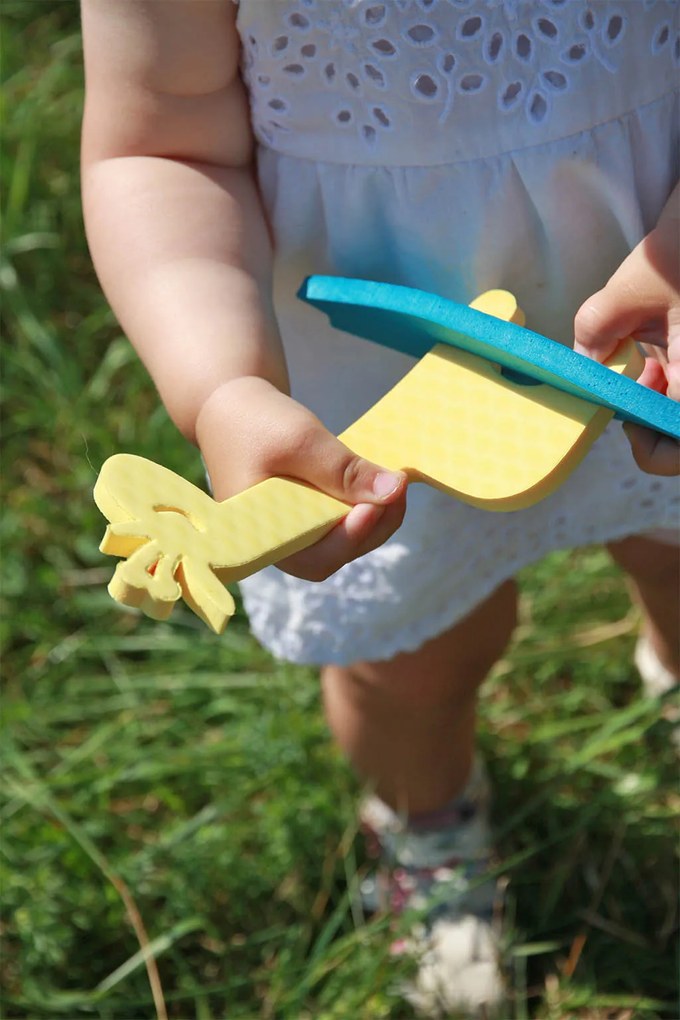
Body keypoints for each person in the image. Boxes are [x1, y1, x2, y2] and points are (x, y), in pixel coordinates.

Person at [80, 1, 679, 1014]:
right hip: (379, 382)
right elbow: (160, 143)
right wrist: (225, 386)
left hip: (658, 301)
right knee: (411, 659)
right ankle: (425, 826)